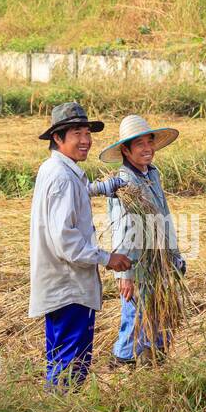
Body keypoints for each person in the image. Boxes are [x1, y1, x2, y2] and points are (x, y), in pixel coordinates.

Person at [29, 102, 133, 387]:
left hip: (60, 286)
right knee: (71, 365)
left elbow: (79, 194)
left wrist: (105, 187)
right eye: (77, 133)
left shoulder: (56, 170)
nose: (86, 140)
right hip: (69, 287)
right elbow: (66, 241)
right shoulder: (62, 177)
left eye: (88, 133)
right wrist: (107, 257)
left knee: (61, 359)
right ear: (58, 138)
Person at [98, 114, 184, 366]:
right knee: (136, 314)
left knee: (157, 311)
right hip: (136, 262)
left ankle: (152, 360)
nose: (148, 149)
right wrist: (125, 274)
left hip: (158, 259)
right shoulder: (124, 182)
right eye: (140, 144)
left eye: (150, 142)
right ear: (125, 149)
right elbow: (124, 229)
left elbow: (163, 216)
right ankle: (122, 362)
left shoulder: (151, 175)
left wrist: (174, 255)